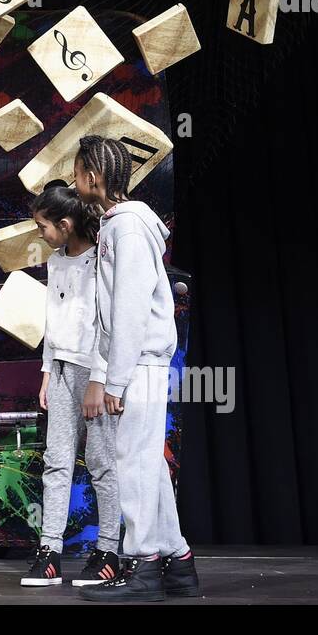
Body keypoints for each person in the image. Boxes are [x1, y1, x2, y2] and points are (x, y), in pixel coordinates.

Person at [72, 136, 199, 602]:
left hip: (139, 362)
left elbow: (127, 308)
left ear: (95, 175)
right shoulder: (118, 225)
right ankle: (179, 561)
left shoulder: (126, 227)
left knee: (134, 466)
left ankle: (144, 563)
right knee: (148, 465)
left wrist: (113, 378)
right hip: (138, 361)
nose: (74, 177)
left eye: (79, 168)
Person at [21, 181, 123, 588]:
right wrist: (47, 369)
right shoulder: (56, 262)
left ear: (64, 224)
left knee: (101, 462)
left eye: (43, 226)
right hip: (62, 368)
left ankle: (110, 550)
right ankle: (50, 551)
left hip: (95, 374)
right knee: (56, 461)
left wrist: (99, 377)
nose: (40, 234)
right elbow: (53, 316)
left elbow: (109, 323)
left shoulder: (102, 259)